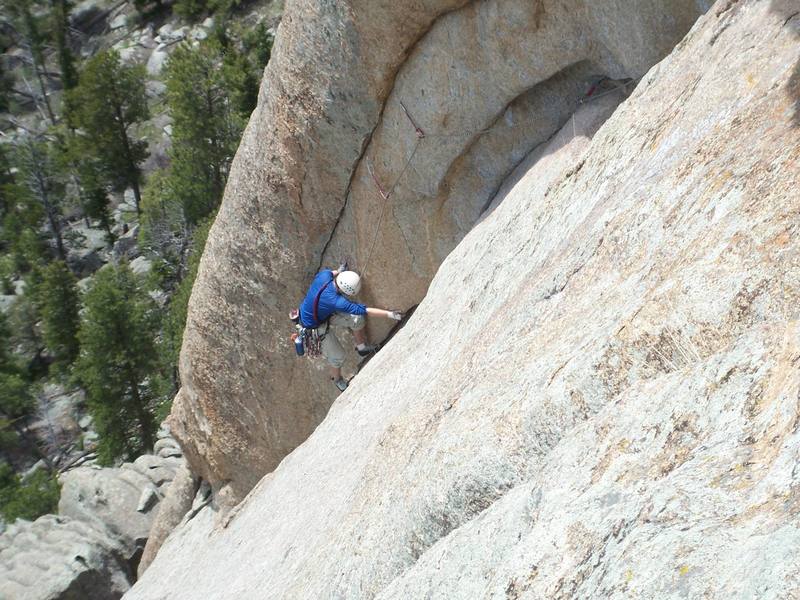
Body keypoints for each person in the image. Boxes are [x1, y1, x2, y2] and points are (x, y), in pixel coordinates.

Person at [298, 266, 402, 391]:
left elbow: (335, 272)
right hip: (314, 328)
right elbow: (365, 310)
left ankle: (362, 347)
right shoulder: (337, 301)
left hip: (320, 315)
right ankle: (337, 380)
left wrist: (341, 269)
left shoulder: (324, 276)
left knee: (356, 319)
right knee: (338, 356)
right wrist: (391, 314)